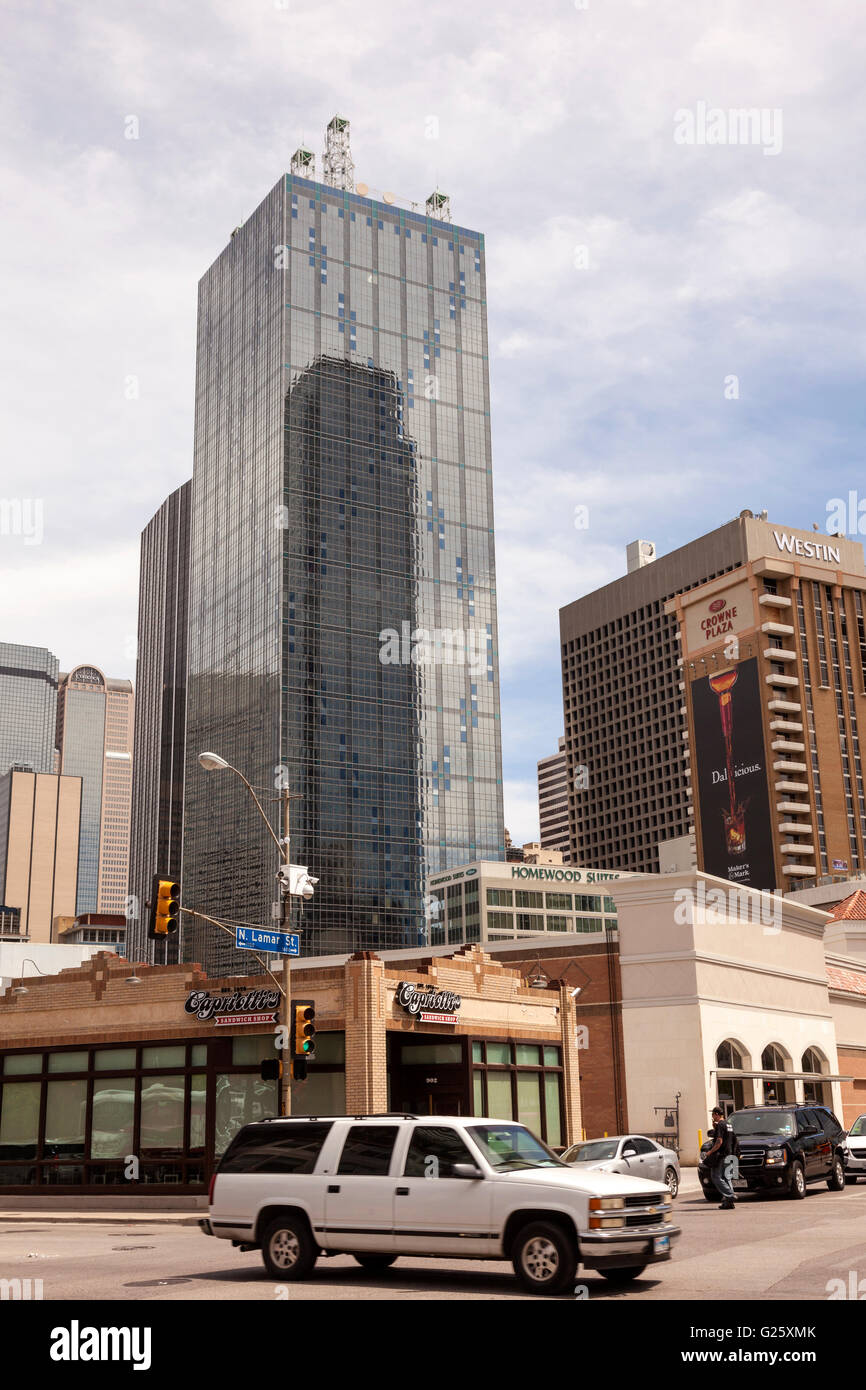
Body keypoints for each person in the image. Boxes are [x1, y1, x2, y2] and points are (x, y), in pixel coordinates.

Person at [706, 1106, 737, 1210]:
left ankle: (730, 1195)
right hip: (729, 1154)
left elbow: (719, 1141)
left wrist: (710, 1152)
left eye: (713, 1115)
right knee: (726, 1177)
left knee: (716, 1176)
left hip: (721, 1155)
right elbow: (731, 1139)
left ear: (717, 1114)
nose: (712, 1117)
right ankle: (729, 1203)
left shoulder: (720, 1124)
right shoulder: (729, 1124)